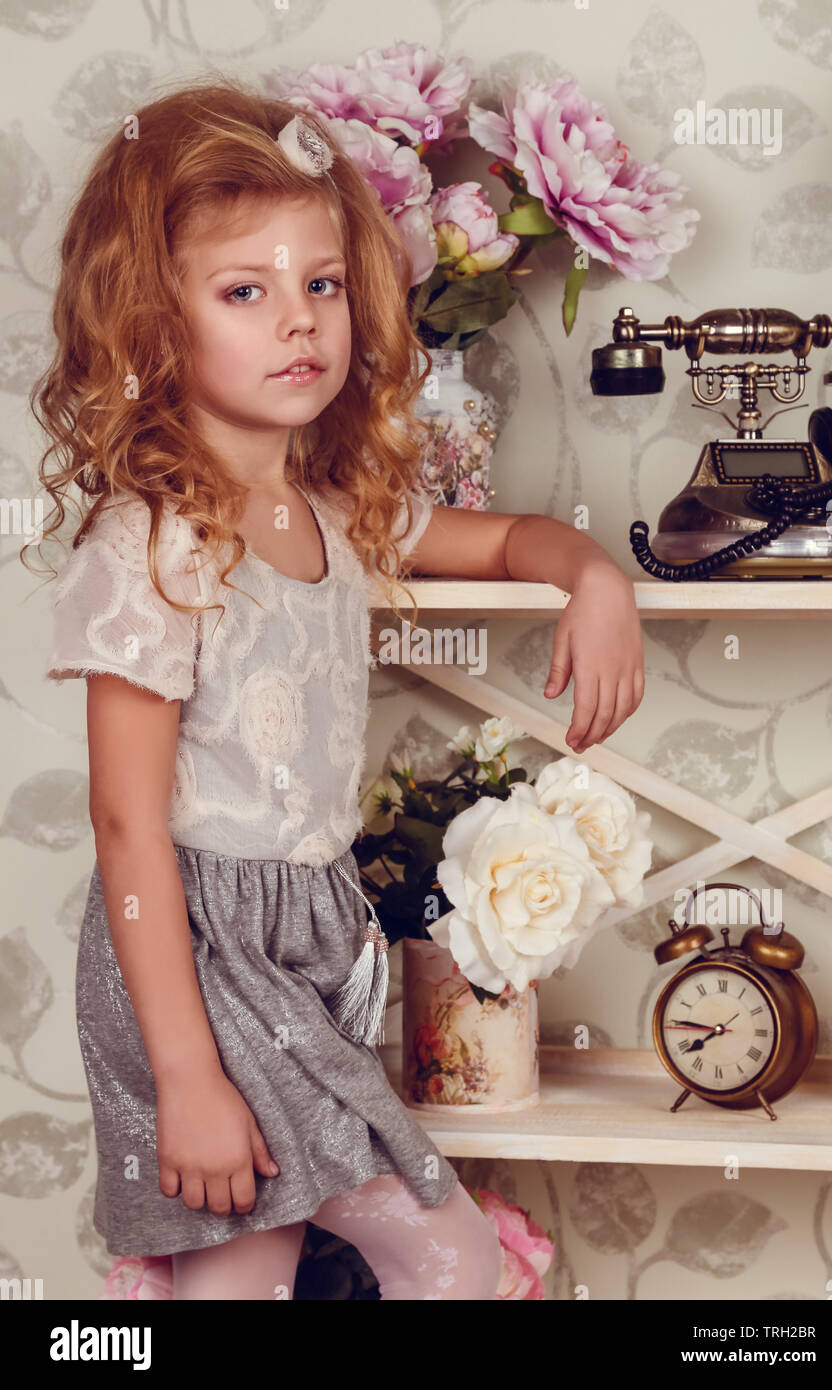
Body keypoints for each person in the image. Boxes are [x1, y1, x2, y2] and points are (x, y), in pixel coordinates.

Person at [26, 78, 644, 1300]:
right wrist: (188, 1074)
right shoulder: (152, 545)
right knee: (401, 1255)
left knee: (280, 1255)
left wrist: (593, 577)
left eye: (318, 284)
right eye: (243, 291)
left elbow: (507, 537)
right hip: (198, 955)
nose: (298, 320)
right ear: (157, 323)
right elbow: (126, 826)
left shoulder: (328, 513)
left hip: (304, 938)